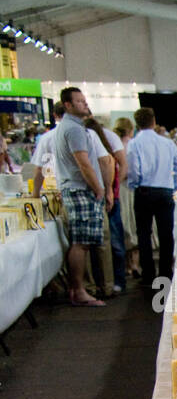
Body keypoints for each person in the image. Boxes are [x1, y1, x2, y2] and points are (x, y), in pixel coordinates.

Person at [52, 88, 108, 307]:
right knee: (81, 243)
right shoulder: (74, 130)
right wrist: (99, 187)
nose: (85, 104)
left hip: (75, 188)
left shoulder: (70, 128)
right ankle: (78, 290)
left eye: (85, 100)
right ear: (68, 105)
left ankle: (78, 289)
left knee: (82, 242)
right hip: (80, 189)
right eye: (79, 101)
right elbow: (83, 163)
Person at [126, 106, 177, 294]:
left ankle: (148, 274)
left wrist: (135, 184)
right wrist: (176, 185)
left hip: (144, 191)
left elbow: (133, 168)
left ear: (137, 123)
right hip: (165, 191)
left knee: (144, 233)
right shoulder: (167, 143)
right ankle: (166, 273)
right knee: (166, 233)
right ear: (154, 121)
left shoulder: (134, 144)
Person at [84, 118, 121, 295]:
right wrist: (109, 191)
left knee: (87, 244)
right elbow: (109, 163)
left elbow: (108, 163)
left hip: (90, 194)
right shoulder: (100, 140)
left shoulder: (86, 138)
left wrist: (106, 190)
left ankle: (91, 286)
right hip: (103, 195)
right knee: (106, 241)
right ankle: (110, 284)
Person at [113, 117, 141, 279]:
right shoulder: (132, 146)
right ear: (131, 130)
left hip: (119, 191)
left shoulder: (113, 146)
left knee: (122, 227)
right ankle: (135, 264)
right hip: (131, 190)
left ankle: (126, 266)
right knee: (134, 226)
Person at [32, 103, 64, 195]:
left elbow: (40, 168)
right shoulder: (89, 134)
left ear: (55, 115)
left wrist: (35, 193)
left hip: (65, 190)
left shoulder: (48, 137)